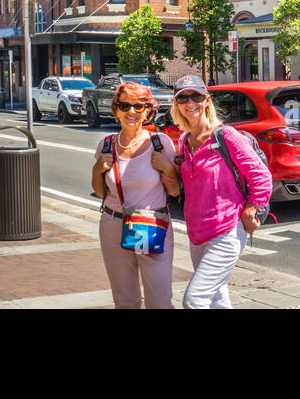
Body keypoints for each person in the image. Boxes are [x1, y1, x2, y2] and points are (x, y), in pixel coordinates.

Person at [172, 75, 272, 309]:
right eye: (183, 98)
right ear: (176, 105)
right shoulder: (184, 141)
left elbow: (261, 176)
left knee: (194, 300)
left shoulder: (225, 136)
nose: (190, 103)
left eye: (195, 96)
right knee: (217, 299)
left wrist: (252, 207)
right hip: (197, 233)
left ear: (206, 100)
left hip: (225, 231)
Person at [90, 81, 180, 309]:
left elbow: (175, 190)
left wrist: (168, 168)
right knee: (125, 300)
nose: (131, 112)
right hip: (113, 224)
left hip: (148, 225)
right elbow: (100, 191)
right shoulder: (106, 144)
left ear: (148, 111)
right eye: (125, 106)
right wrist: (97, 169)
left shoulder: (160, 144)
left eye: (139, 106)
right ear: (116, 110)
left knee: (158, 300)